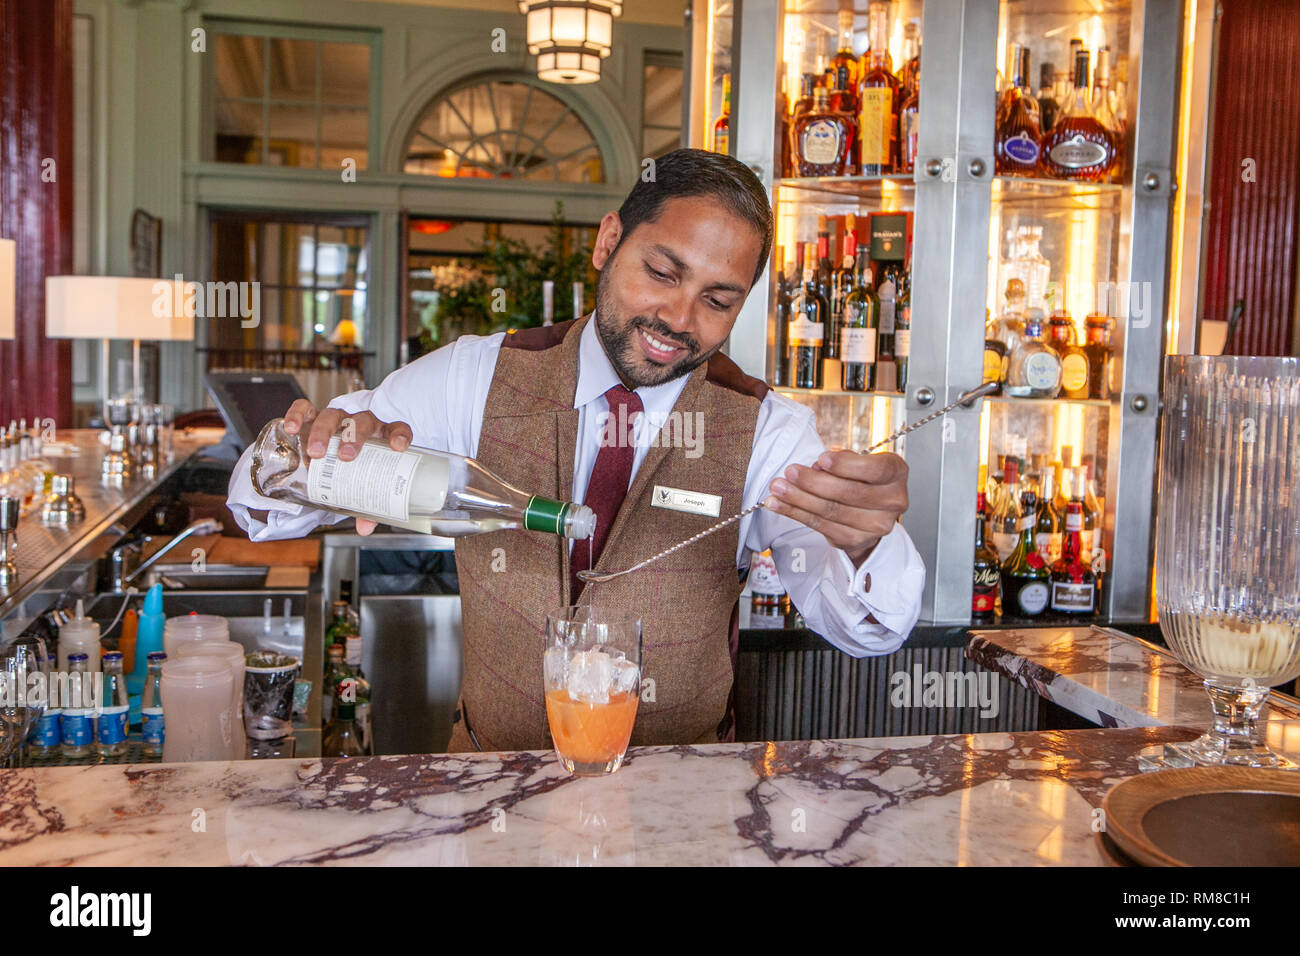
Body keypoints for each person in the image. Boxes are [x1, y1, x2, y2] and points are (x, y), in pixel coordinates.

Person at [227, 148, 924, 752]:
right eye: (661, 272)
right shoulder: (474, 376)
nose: (678, 320)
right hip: (488, 790)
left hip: (680, 815)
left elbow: (867, 632)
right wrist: (302, 453)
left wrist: (867, 545)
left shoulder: (768, 430)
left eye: (717, 299)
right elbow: (258, 511)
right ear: (608, 241)